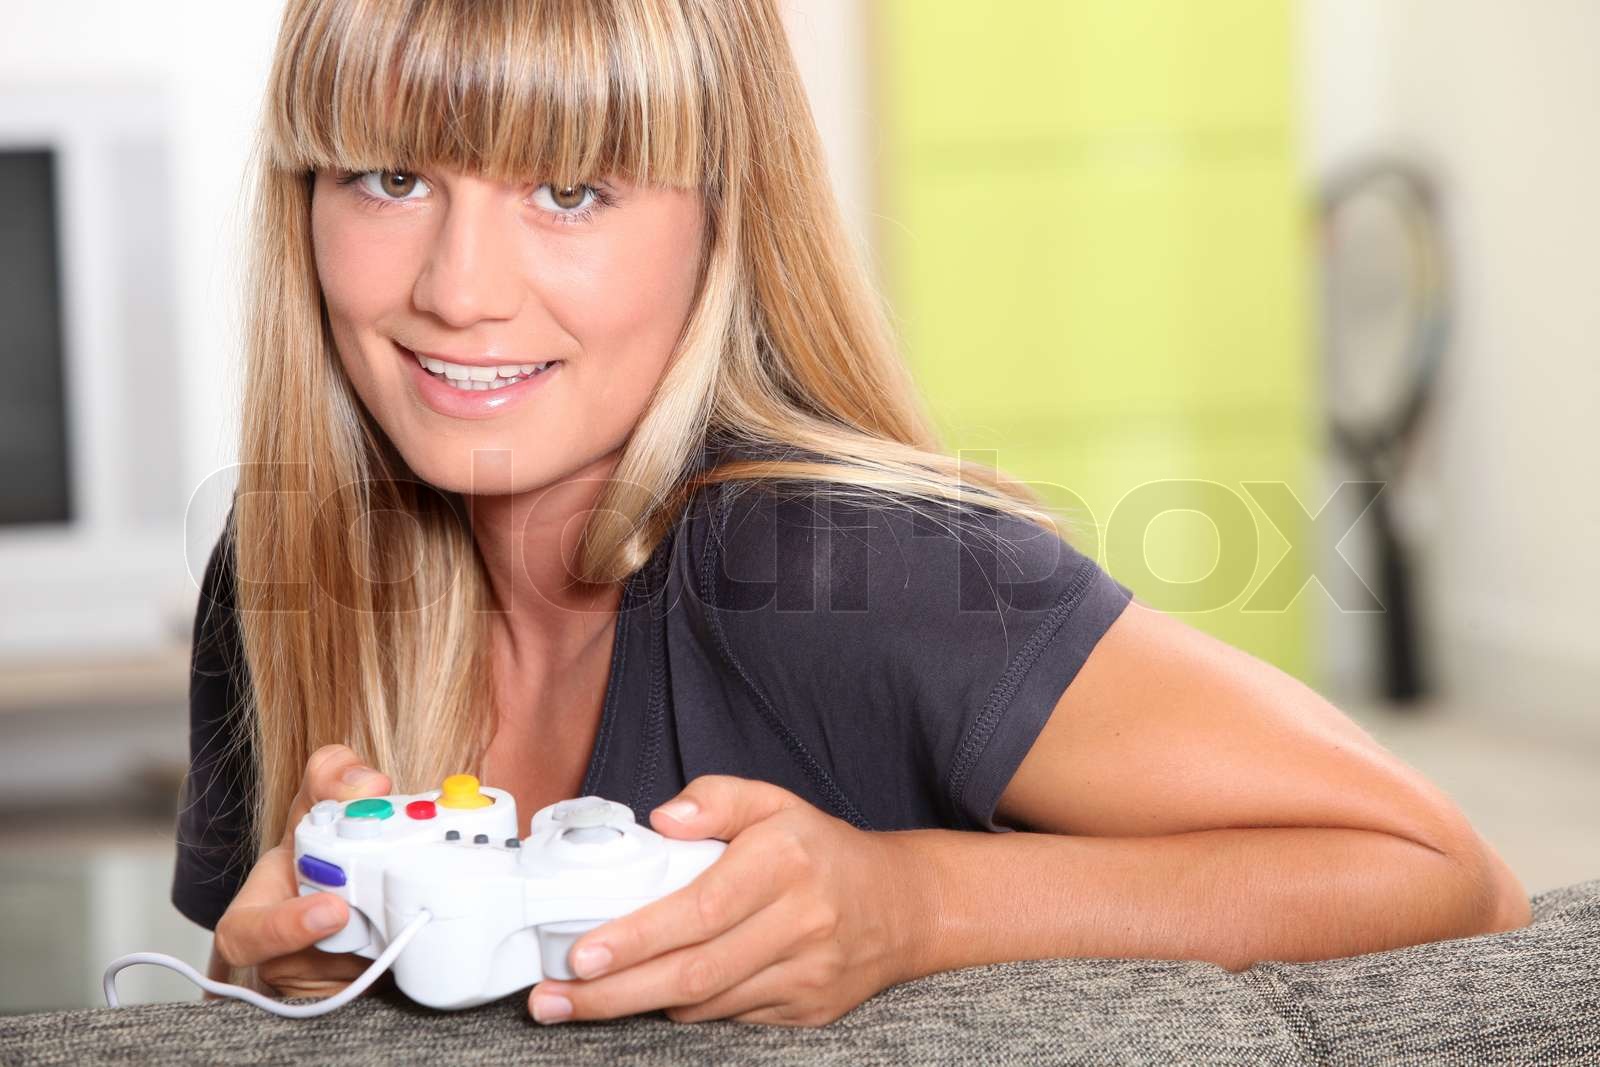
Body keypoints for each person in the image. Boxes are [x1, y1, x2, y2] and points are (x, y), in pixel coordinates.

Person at [174, 0, 1530, 1029]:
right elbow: (258, 970)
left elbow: (1444, 874)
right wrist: (270, 972)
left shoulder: (838, 567)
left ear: (723, 217)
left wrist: (911, 904)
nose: (459, 289)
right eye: (390, 180)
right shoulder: (286, 565)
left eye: (571, 191)